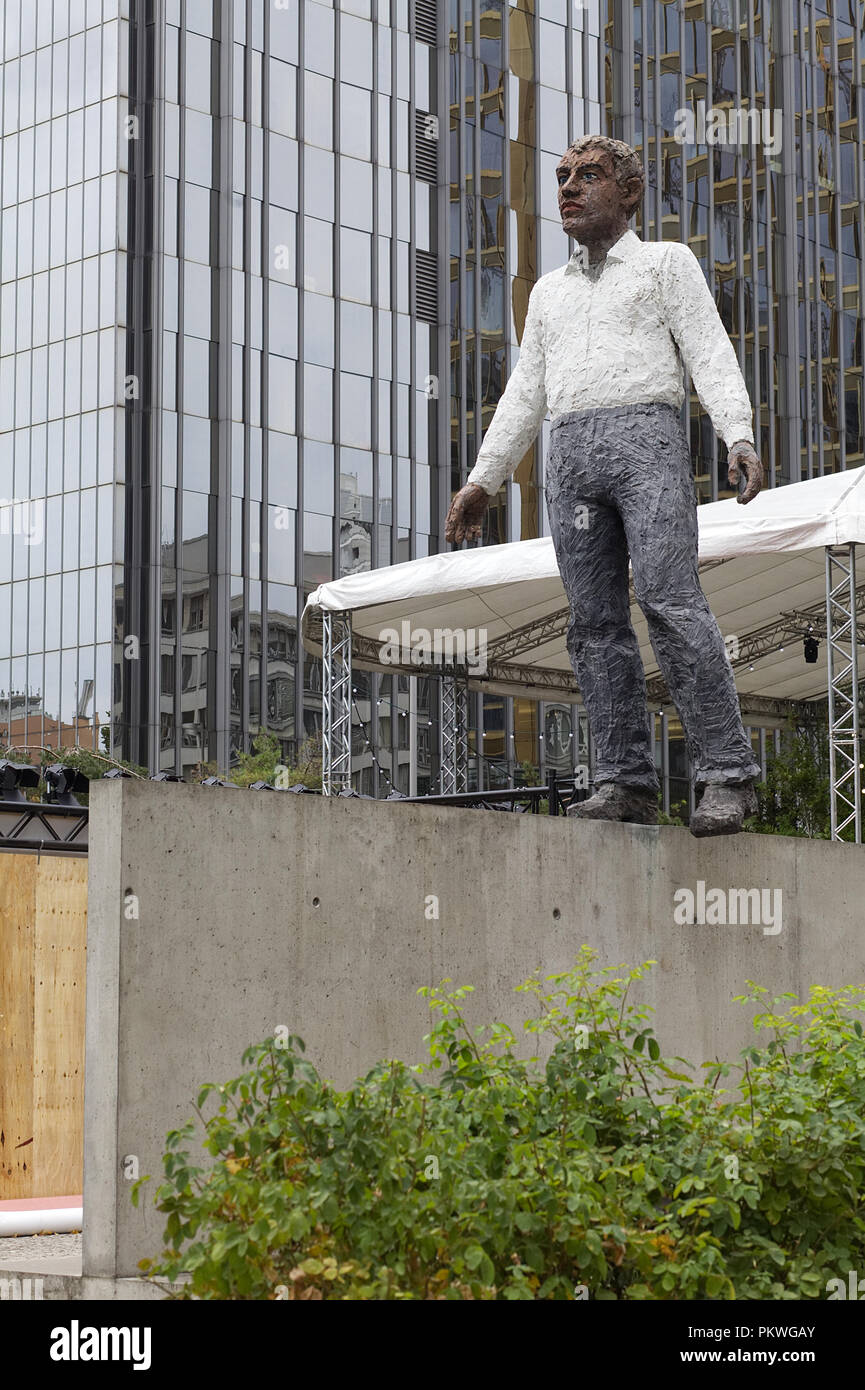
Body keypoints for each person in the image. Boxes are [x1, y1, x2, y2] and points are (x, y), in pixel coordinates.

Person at [444, 135, 762, 837]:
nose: (568, 187)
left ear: (628, 192)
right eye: (561, 177)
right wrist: (481, 481)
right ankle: (621, 780)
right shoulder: (549, 294)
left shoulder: (663, 265)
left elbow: (709, 351)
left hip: (646, 446)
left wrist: (735, 434)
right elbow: (524, 391)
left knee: (669, 601)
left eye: (587, 176)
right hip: (571, 459)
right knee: (591, 628)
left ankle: (726, 775)